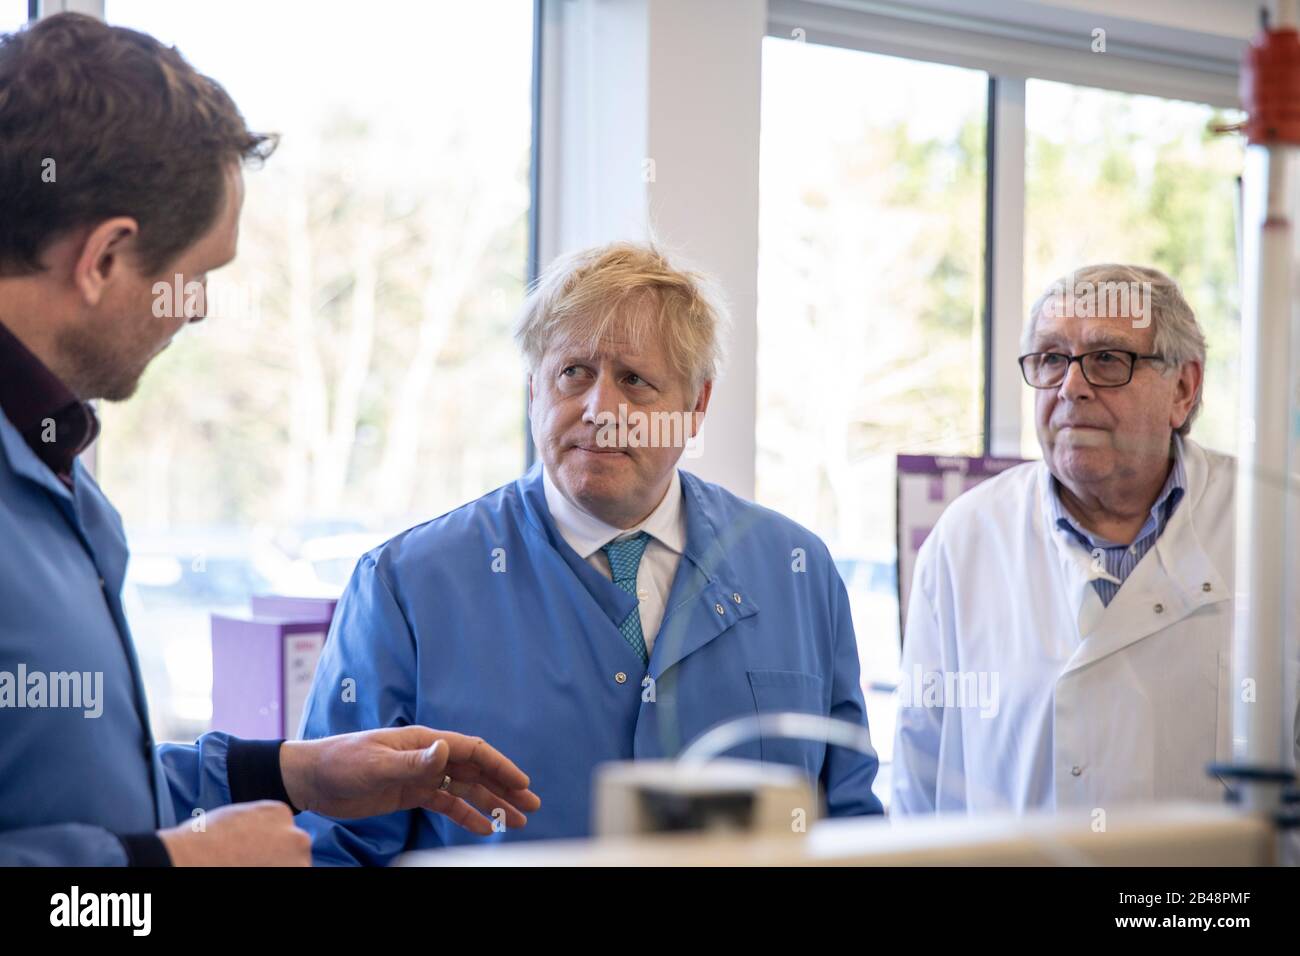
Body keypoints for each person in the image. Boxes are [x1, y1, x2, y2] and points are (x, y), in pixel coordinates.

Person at [0, 13, 538, 866]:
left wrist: (295, 773)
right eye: (198, 276)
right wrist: (168, 869)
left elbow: (66, 796)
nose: (202, 309)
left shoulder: (60, 477)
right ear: (105, 258)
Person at [298, 241, 883, 864]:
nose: (602, 410)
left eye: (635, 380)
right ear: (533, 391)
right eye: (574, 373)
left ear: (696, 405)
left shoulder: (797, 572)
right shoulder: (407, 586)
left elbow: (849, 825)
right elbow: (337, 848)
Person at [890, 263, 1257, 814]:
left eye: (1108, 358)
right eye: (1051, 359)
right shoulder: (965, 538)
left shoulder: (1274, 528)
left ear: (1183, 388)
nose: (1071, 387)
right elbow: (919, 781)